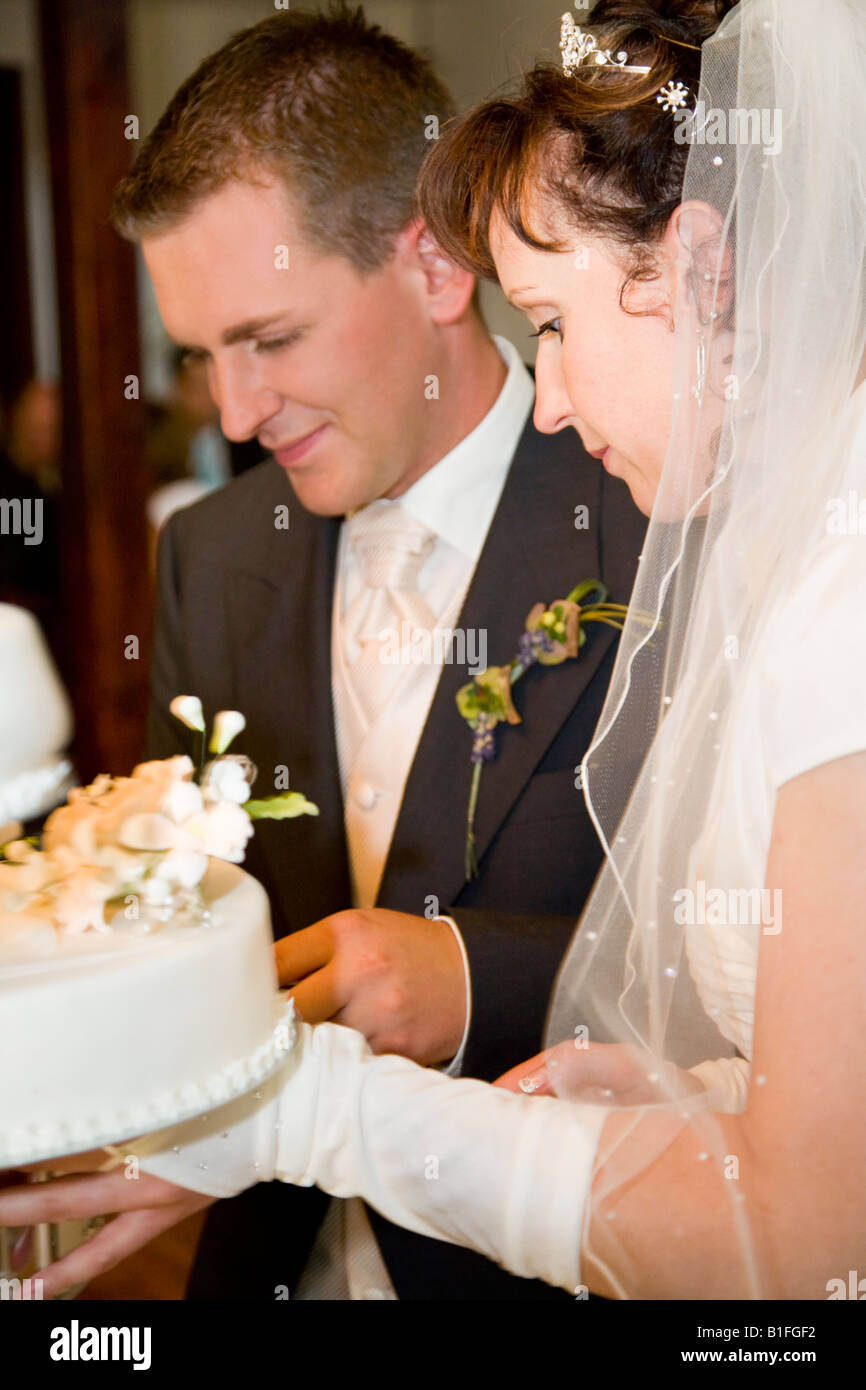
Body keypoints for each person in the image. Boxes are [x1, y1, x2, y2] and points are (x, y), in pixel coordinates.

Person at [6, 0, 861, 1299]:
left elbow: (803, 1200)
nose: (232, 411)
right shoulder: (209, 555)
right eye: (199, 357)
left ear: (431, 268)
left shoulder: (682, 527)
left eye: (270, 338)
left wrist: (456, 989)